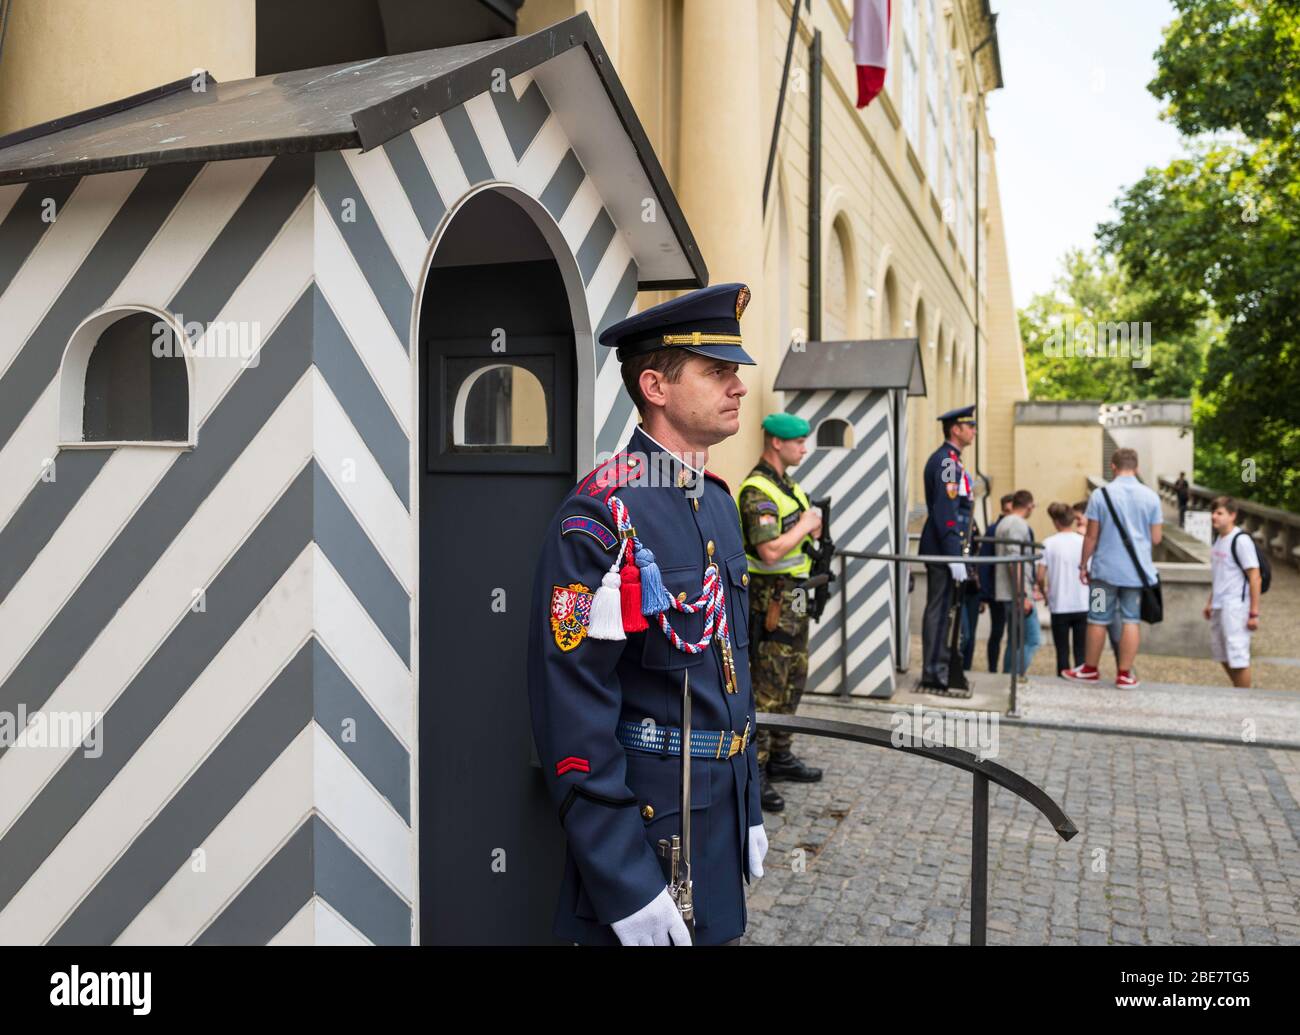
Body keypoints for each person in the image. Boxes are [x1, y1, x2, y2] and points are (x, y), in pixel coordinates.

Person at [527, 282, 765, 946]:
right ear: (655, 386)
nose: (738, 385)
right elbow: (570, 713)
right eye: (717, 371)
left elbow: (729, 669)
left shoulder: (717, 501)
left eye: (735, 371)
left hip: (718, 816)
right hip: (647, 836)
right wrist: (624, 880)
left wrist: (748, 796)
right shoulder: (599, 517)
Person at [738, 413, 825, 814]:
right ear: (776, 442)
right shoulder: (757, 490)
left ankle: (780, 756)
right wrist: (806, 524)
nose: (804, 448)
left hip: (794, 598)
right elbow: (770, 550)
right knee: (768, 689)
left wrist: (811, 530)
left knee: (793, 679)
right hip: (771, 600)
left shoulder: (787, 486)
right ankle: (754, 776)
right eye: (799, 441)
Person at [1064, 448, 1163, 689]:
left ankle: (1090, 669)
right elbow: (1157, 538)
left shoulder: (1100, 495)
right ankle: (1124, 674)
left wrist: (1082, 565)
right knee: (1131, 619)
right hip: (1135, 575)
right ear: (1137, 468)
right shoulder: (1151, 497)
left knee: (1097, 618)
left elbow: (1091, 536)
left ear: (1114, 467)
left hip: (1103, 573)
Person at [918, 405, 977, 691]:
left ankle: (939, 666)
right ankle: (934, 670)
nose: (974, 430)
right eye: (970, 425)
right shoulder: (946, 464)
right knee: (939, 611)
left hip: (948, 547)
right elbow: (946, 512)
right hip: (943, 549)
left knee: (945, 611)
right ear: (956, 429)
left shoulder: (952, 461)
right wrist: (954, 556)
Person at [1205, 496, 1263, 688]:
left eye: (1219, 513)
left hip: (1236, 606)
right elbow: (1219, 574)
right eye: (1213, 512)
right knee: (1221, 653)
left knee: (1238, 656)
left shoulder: (1241, 540)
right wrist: (1210, 601)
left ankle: (1245, 698)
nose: (1214, 516)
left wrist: (1253, 612)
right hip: (1219, 604)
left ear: (1232, 515)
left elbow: (1255, 576)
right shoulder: (1219, 540)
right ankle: (1240, 690)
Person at [1038, 502, 1089, 677]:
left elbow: (1040, 576)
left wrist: (1045, 594)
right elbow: (1096, 575)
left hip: (1059, 603)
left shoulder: (1048, 543)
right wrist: (1100, 607)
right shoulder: (1084, 542)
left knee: (1062, 650)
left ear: (1056, 522)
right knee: (1081, 650)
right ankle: (1082, 675)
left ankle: (1062, 678)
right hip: (1083, 602)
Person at [994, 490, 1040, 676]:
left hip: (1007, 590)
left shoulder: (1003, 523)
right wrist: (1022, 594)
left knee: (1015, 640)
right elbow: (1015, 561)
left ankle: (1007, 677)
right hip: (1017, 592)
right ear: (1029, 506)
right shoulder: (1018, 525)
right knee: (1032, 639)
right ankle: (1014, 678)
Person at [980, 494, 1015, 672]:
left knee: (1012, 634)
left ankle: (1007, 670)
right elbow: (985, 563)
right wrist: (984, 594)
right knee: (997, 631)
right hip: (996, 590)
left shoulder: (1014, 527)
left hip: (1012, 590)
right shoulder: (994, 530)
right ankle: (994, 669)